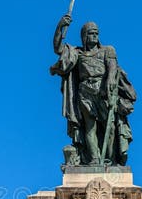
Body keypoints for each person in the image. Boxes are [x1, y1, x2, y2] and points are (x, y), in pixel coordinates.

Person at [50, 14, 136, 166]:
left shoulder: (107, 50)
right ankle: (94, 159)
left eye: (96, 33)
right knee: (90, 127)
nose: (95, 35)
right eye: (91, 33)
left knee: (109, 127)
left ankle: (109, 159)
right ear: (84, 36)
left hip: (104, 91)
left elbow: (112, 67)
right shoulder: (77, 53)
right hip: (85, 92)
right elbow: (58, 49)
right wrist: (60, 26)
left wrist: (109, 82)